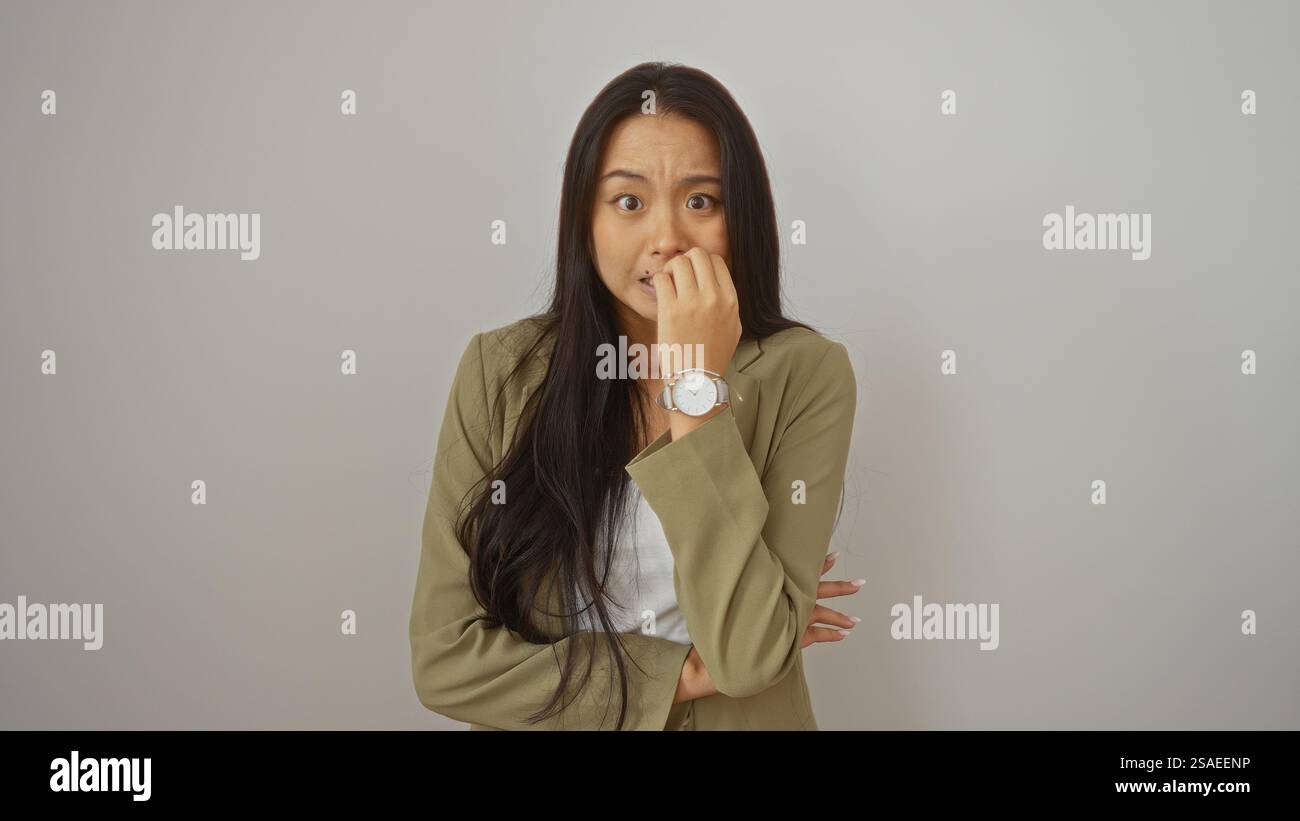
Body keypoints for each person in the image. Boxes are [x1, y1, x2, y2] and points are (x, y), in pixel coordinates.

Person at [409, 62, 861, 730]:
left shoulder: (807, 374)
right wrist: (670, 676)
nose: (667, 237)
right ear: (584, 222)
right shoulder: (498, 371)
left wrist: (693, 388)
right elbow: (446, 660)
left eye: (701, 200)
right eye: (629, 201)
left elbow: (748, 656)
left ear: (742, 219)